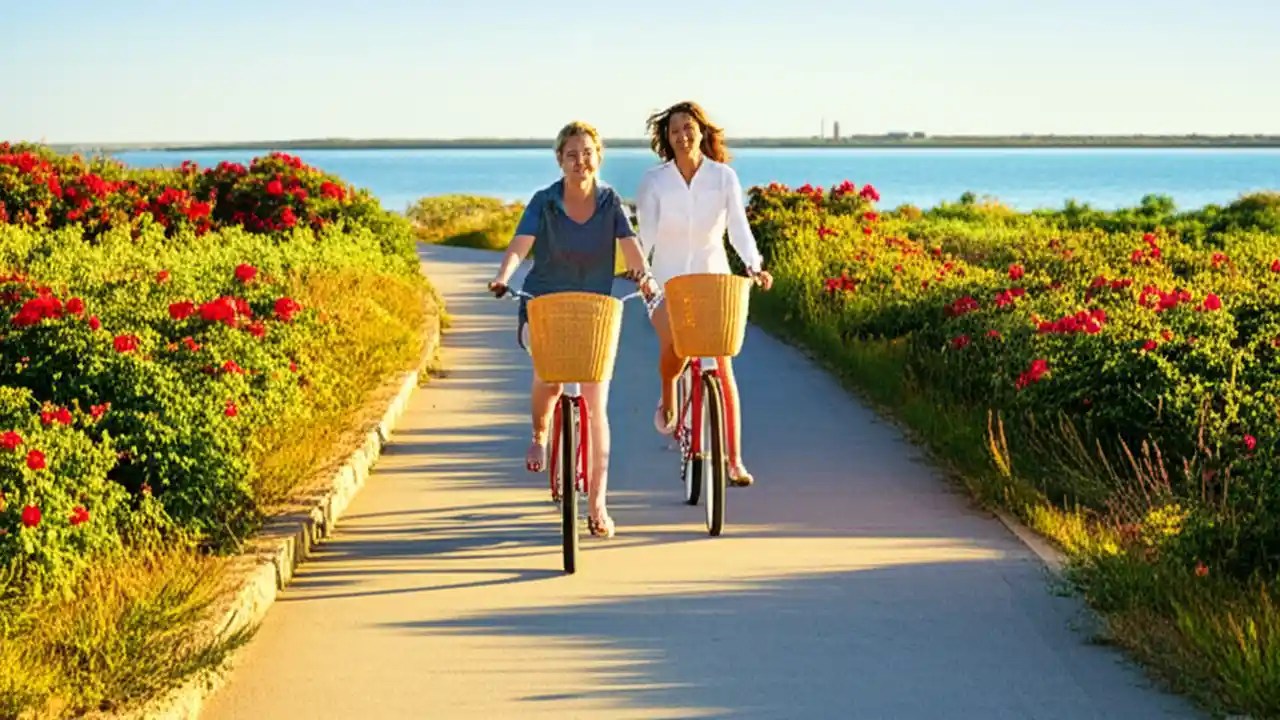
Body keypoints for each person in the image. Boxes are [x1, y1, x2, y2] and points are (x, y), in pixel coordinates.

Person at [488, 121, 658, 538]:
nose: (580, 161)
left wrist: (646, 276)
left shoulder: (609, 202)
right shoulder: (544, 202)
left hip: (592, 310)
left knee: (596, 407)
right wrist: (503, 275)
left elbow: (631, 244)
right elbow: (520, 244)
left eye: (587, 153)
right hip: (544, 304)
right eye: (571, 154)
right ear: (560, 160)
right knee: (548, 378)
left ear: (598, 157)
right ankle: (539, 433)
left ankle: (598, 506)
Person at [635, 101, 773, 487]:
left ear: (702, 131)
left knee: (722, 367)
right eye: (674, 129)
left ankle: (734, 461)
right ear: (667, 137)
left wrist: (754, 265)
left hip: (714, 280)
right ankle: (670, 396)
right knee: (675, 349)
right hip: (666, 283)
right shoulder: (655, 180)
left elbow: (738, 230)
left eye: (688, 126)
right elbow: (644, 234)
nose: (682, 134)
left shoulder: (723, 176)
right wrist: (640, 273)